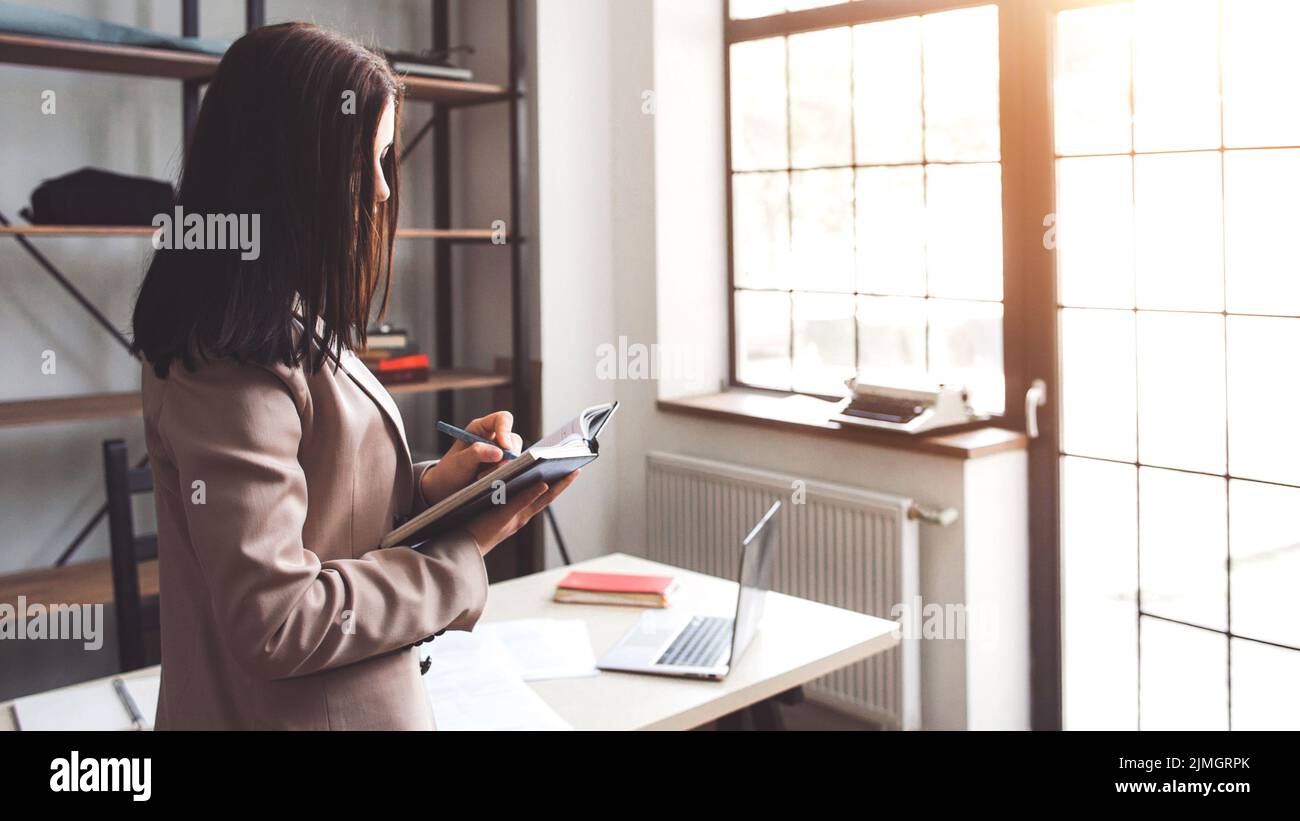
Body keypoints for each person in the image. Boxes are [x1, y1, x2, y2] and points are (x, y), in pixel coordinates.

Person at [129, 22, 576, 730]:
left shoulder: (277, 314)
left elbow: (327, 502)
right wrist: (461, 552)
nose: (377, 190)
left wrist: (435, 486)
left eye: (383, 160)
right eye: (357, 163)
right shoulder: (224, 359)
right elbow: (276, 620)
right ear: (277, 170)